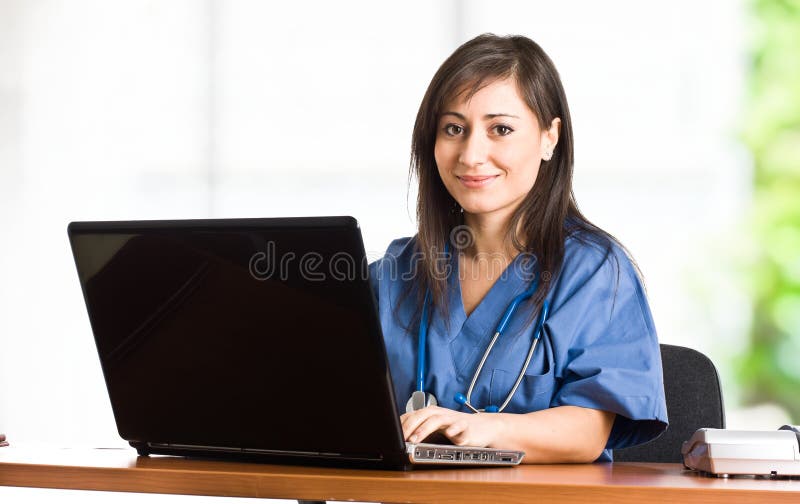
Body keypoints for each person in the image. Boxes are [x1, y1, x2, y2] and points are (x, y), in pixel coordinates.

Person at [368, 33, 668, 463]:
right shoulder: (395, 272)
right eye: (454, 128)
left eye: (501, 129)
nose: (471, 154)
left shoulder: (593, 271)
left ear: (550, 137)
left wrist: (487, 428)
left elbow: (588, 432)